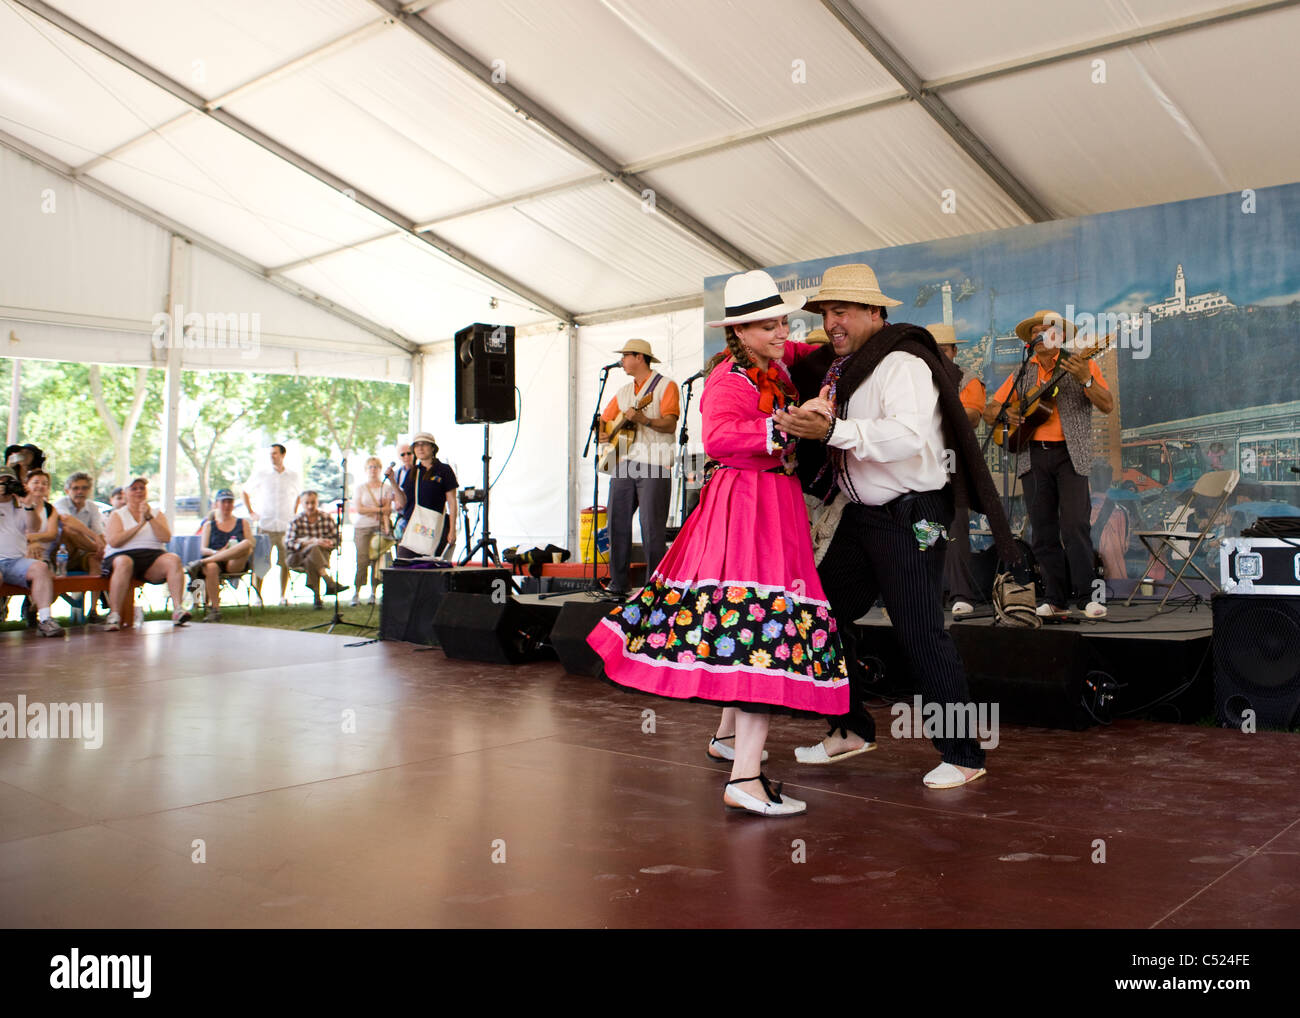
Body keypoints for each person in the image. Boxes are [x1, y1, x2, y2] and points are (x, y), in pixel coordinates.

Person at [588, 270, 850, 818]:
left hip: (767, 501)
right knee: (760, 626)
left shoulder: (771, 364)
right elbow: (720, 438)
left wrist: (837, 365)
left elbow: (819, 350)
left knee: (744, 621)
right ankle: (745, 778)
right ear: (742, 332)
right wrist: (788, 426)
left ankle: (730, 738)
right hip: (749, 503)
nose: (783, 331)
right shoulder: (730, 379)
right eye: (770, 324)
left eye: (783, 321)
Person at [773, 263, 1016, 789]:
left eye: (842, 311)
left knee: (921, 629)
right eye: (826, 313)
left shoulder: (901, 362)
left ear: (874, 312)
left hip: (912, 514)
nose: (831, 322)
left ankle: (965, 755)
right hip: (862, 515)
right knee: (823, 614)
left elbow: (907, 437)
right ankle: (851, 728)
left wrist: (833, 429)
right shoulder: (849, 367)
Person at [983, 310, 1114, 619]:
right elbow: (990, 411)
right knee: (1042, 530)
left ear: (1061, 337)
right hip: (1034, 455)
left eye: (1047, 330)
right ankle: (1054, 599)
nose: (1040, 335)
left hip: (1070, 454)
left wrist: (1086, 378)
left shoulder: (1082, 363)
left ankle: (1086, 597)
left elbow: (1107, 404)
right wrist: (1007, 415)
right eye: (1036, 332)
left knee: (1074, 526)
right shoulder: (1021, 372)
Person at [597, 339, 680, 597]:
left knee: (651, 527)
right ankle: (619, 583)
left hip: (655, 462)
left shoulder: (666, 386)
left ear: (640, 357)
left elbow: (670, 425)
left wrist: (644, 419)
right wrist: (603, 433)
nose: (622, 360)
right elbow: (604, 419)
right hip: (623, 462)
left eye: (625, 356)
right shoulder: (623, 391)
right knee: (615, 522)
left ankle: (654, 588)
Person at [933, 324, 985, 618]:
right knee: (923, 527)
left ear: (954, 351)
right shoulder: (915, 380)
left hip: (952, 459)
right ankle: (928, 590)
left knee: (955, 525)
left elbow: (973, 417)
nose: (938, 355)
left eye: (943, 350)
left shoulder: (968, 379)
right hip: (920, 460)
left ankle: (961, 593)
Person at [102, 477, 190, 630]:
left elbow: (165, 537)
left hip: (152, 557)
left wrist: (149, 518)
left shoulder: (156, 513)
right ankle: (114, 614)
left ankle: (178, 609)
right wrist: (140, 524)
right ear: (125, 493)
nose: (138, 491)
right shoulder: (117, 514)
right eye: (134, 488)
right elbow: (115, 541)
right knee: (124, 562)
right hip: (122, 556)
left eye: (142, 488)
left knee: (173, 559)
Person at [0, 465, 62, 636]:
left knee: (41, 568)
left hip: (16, 562)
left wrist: (28, 505)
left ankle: (44, 619)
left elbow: (33, 527)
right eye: (1, 482)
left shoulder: (20, 504)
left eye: (9, 482)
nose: (5, 486)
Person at [243, 444, 301, 606]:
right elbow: (245, 491)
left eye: (275, 453)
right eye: (270, 454)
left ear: (283, 455)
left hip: (285, 526)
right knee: (261, 561)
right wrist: (251, 512)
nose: (272, 456)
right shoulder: (262, 474)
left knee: (285, 562)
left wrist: (293, 513)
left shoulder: (293, 476)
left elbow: (299, 495)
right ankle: (257, 597)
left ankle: (283, 596)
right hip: (266, 524)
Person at [187, 489, 254, 622]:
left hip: (235, 561)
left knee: (246, 543)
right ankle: (215, 609)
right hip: (215, 560)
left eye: (229, 502)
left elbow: (250, 545)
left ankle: (200, 564)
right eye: (224, 502)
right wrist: (218, 553)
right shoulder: (209, 525)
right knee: (211, 567)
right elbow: (203, 549)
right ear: (217, 504)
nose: (227, 505)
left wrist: (231, 551)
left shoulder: (243, 523)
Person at [389, 432, 457, 560]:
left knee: (431, 567)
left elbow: (452, 501)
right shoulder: (412, 472)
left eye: (424, 444)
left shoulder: (444, 470)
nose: (420, 448)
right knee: (404, 563)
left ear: (432, 448)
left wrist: (452, 529)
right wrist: (393, 481)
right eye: (417, 445)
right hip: (412, 526)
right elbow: (404, 502)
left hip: (435, 526)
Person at [286, 490, 347, 608]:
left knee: (311, 559)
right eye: (307, 503)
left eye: (313, 502)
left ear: (317, 502)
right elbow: (289, 543)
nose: (310, 506)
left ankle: (318, 599)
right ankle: (328, 581)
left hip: (320, 556)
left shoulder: (326, 518)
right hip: (297, 557)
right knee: (314, 547)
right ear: (301, 504)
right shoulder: (295, 520)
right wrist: (312, 542)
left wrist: (329, 543)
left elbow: (337, 539)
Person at [351, 457, 396, 605]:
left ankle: (374, 593)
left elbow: (388, 509)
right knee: (362, 559)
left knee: (378, 560)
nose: (373, 470)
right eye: (370, 467)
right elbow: (359, 509)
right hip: (362, 528)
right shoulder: (360, 488)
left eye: (376, 467)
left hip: (379, 527)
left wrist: (382, 514)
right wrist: (379, 509)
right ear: (366, 470)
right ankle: (356, 593)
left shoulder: (386, 487)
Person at [54, 471, 108, 581]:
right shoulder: (61, 503)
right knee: (68, 529)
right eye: (75, 488)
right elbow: (67, 520)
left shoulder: (92, 506)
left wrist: (103, 545)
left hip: (84, 553)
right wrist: (95, 540)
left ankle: (95, 599)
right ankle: (103, 553)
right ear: (67, 491)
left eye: (84, 488)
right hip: (61, 554)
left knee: (94, 561)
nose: (80, 492)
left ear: (89, 490)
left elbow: (99, 532)